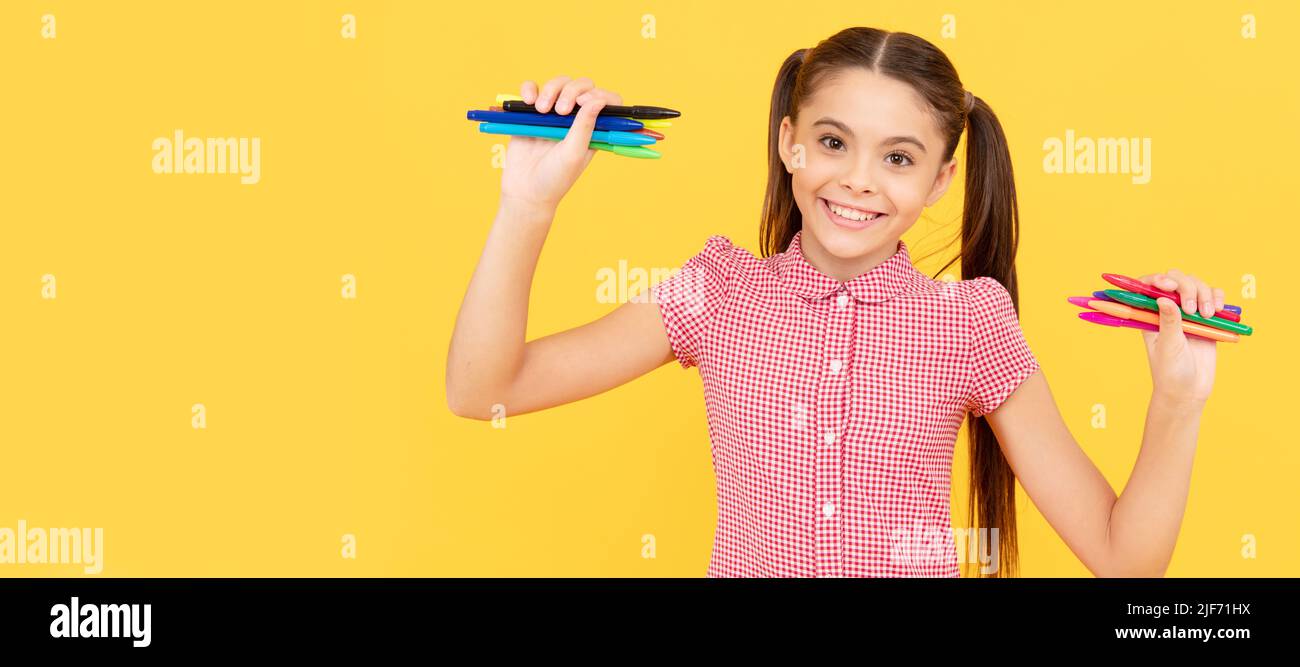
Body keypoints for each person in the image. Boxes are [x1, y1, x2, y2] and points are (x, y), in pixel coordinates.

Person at [446, 27, 1224, 578]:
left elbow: (1128, 558)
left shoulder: (970, 322)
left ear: (940, 181)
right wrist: (527, 203)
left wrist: (1178, 397)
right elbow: (484, 390)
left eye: (897, 157)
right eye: (832, 142)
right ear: (789, 143)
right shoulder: (719, 291)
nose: (857, 179)